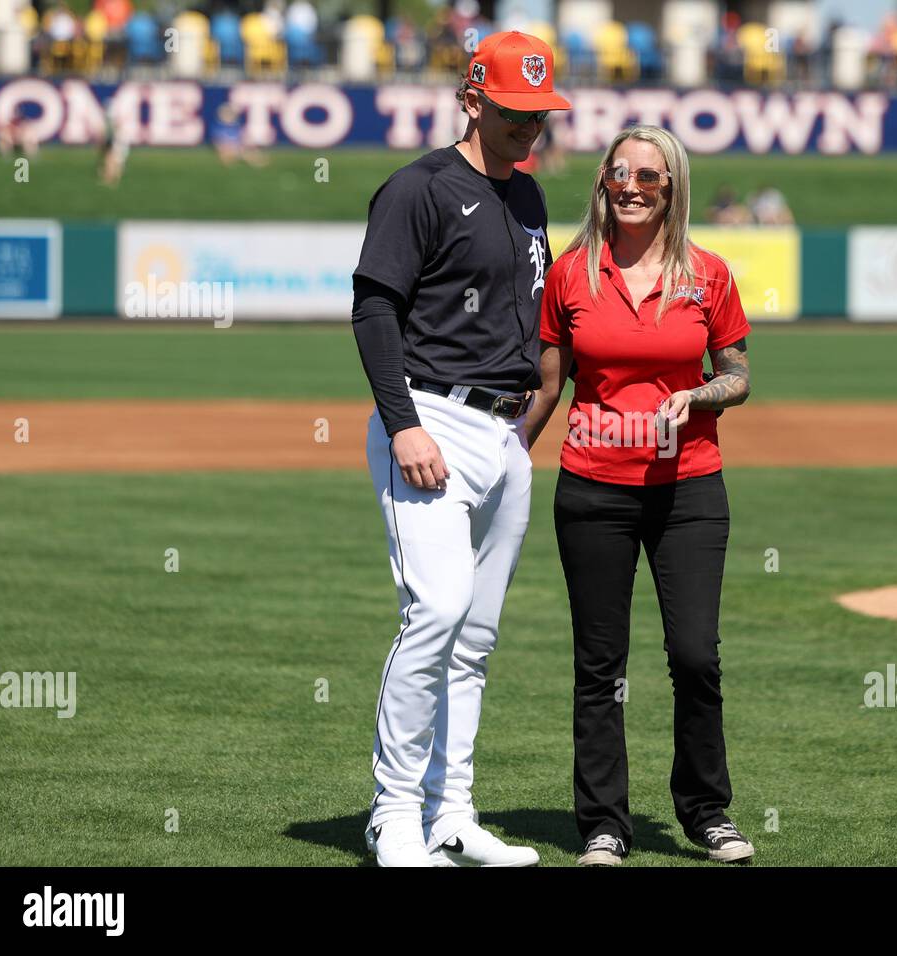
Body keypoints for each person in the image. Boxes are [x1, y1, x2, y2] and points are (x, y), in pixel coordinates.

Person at [351, 30, 570, 867]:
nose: (529, 129)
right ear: (471, 99)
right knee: (435, 611)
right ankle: (395, 815)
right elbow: (375, 311)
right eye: (515, 113)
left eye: (540, 115)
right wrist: (403, 423)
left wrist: (523, 436)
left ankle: (453, 813)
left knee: (475, 636)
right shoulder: (419, 190)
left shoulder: (530, 199)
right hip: (431, 420)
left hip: (503, 433)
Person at [525, 125, 755, 866]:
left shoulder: (709, 274)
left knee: (695, 655)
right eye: (618, 173)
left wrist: (702, 395)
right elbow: (548, 385)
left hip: (689, 489)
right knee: (600, 663)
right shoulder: (570, 276)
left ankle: (705, 811)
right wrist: (501, 457)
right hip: (592, 489)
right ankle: (602, 824)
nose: (631, 186)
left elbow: (739, 374)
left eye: (648, 177)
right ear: (602, 181)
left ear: (672, 188)